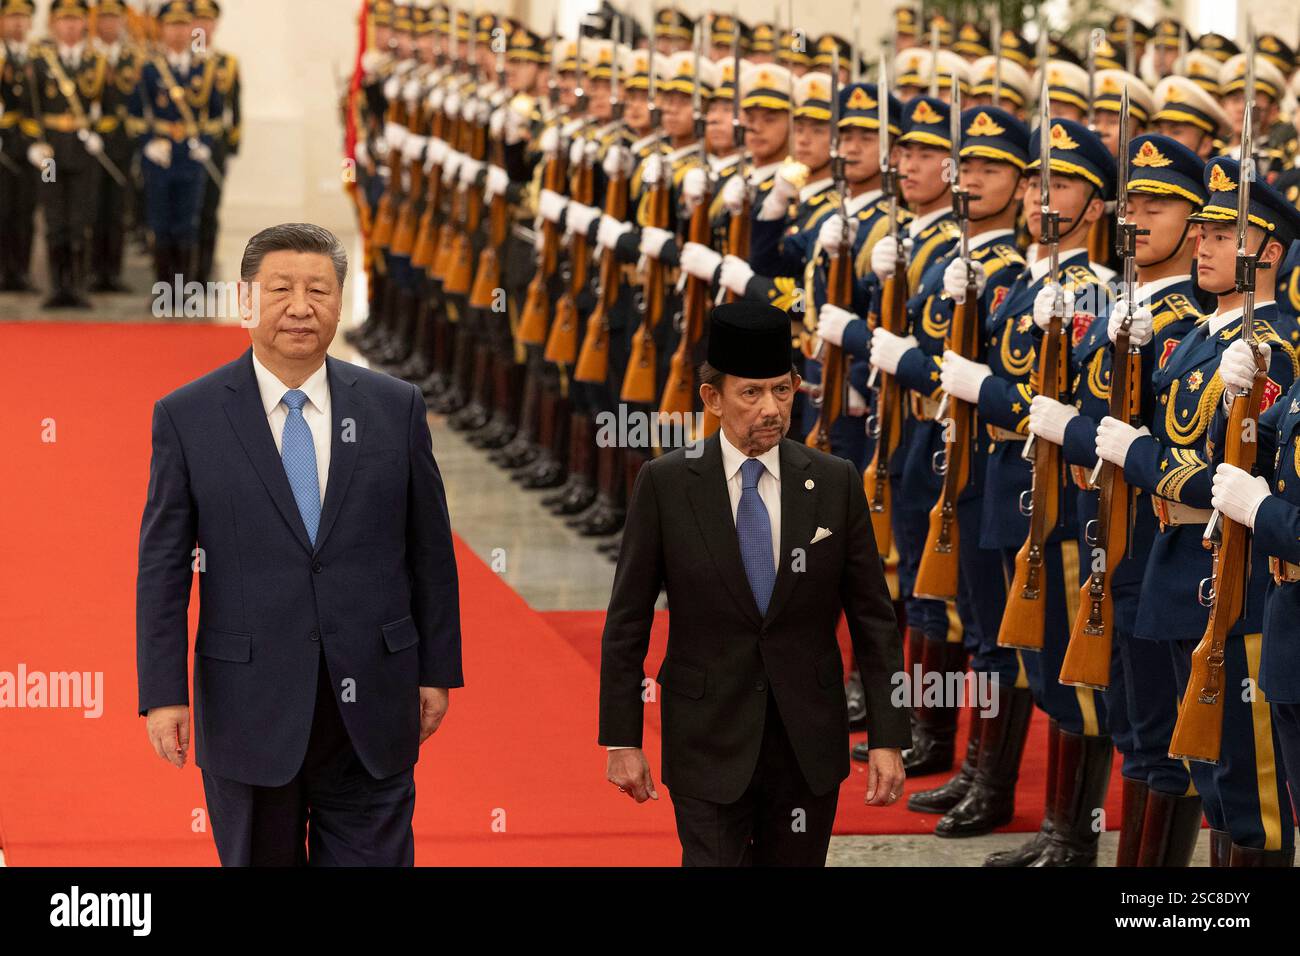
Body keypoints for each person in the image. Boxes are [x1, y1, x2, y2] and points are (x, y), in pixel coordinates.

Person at [136, 223, 463, 866]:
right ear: (246, 300)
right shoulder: (188, 415)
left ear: (341, 302)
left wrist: (436, 670)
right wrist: (163, 693)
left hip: (372, 696)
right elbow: (164, 567)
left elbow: (430, 552)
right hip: (249, 705)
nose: (300, 306)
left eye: (319, 289)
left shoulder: (394, 407)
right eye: (280, 288)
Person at [599, 301, 908, 866]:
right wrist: (622, 739)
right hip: (705, 739)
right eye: (751, 393)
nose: (771, 408)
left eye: (783, 391)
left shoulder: (834, 482)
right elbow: (627, 621)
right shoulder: (666, 484)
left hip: (806, 745)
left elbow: (874, 622)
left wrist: (888, 736)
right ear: (712, 399)